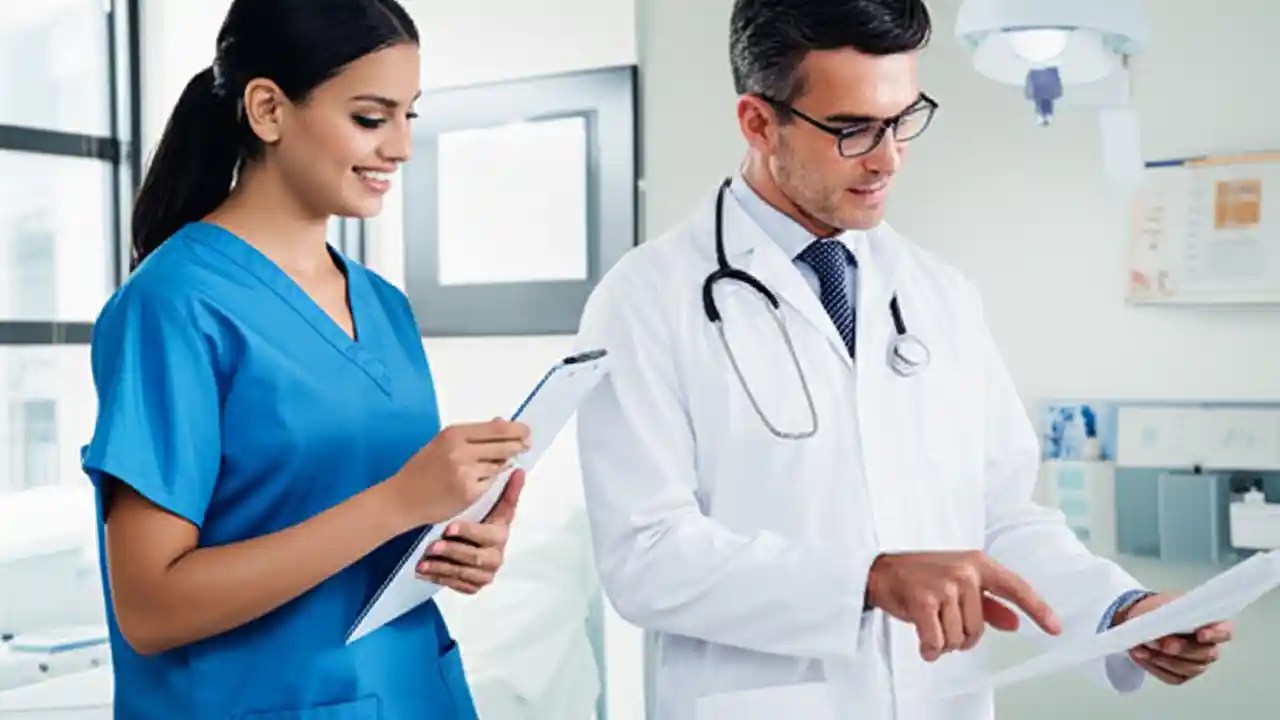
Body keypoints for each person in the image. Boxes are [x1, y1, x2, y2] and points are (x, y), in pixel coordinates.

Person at [573, 1, 1235, 718]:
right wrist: (867, 579)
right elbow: (646, 557)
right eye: (853, 130)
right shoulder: (647, 300)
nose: (888, 158)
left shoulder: (938, 293)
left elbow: (1001, 518)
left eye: (902, 119)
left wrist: (1120, 611)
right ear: (759, 123)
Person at [79, 1, 529, 718]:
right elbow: (151, 606)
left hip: (411, 691)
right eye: (371, 118)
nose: (402, 147)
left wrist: (449, 543)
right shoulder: (175, 304)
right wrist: (398, 502)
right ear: (268, 109)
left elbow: (353, 527)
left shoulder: (384, 306)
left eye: (410, 115)